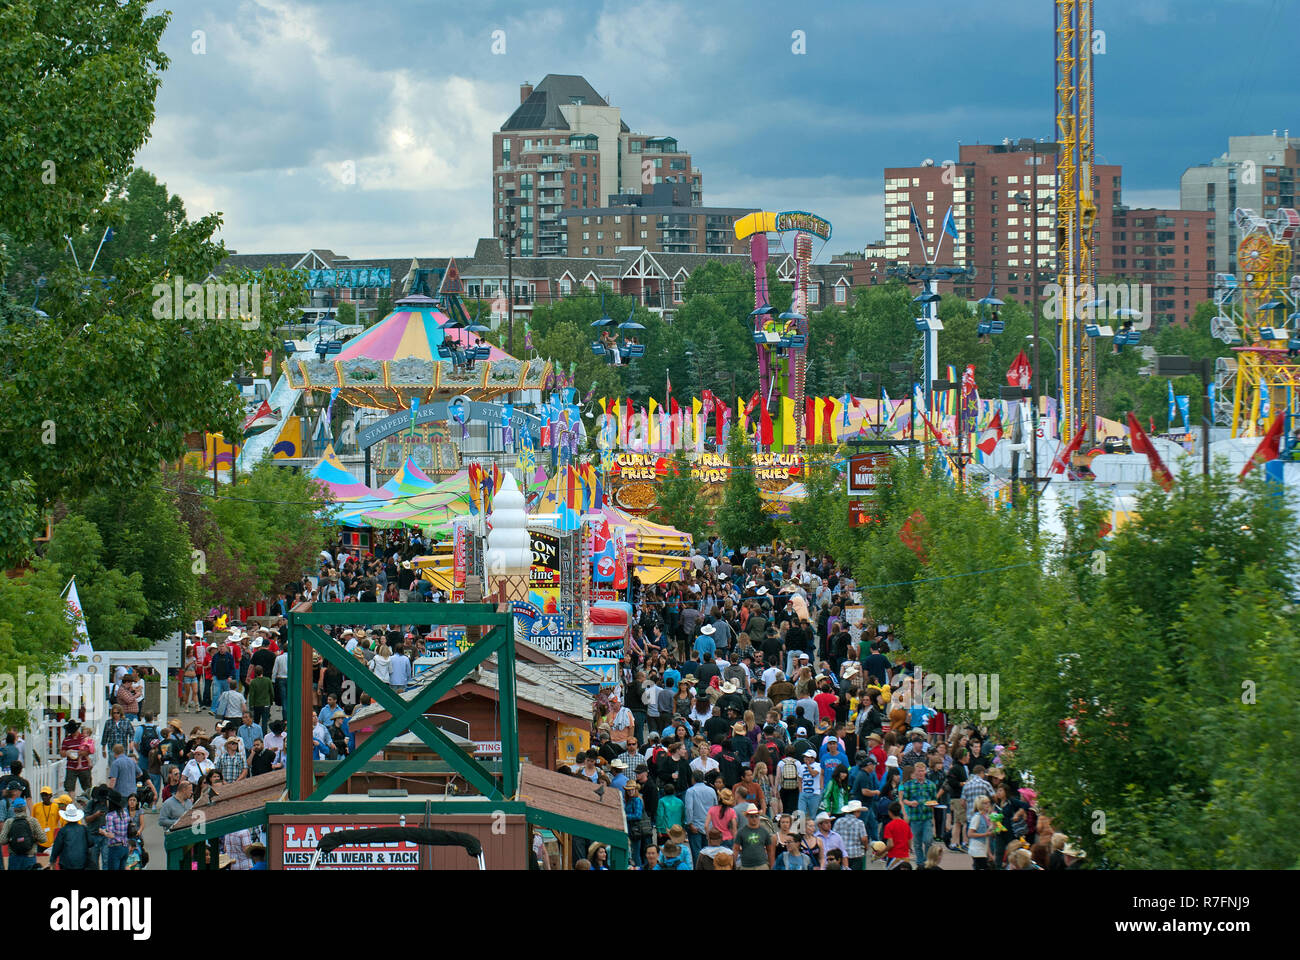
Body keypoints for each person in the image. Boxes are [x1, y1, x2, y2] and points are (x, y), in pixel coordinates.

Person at [899, 755, 938, 866]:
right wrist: (910, 803)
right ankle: (920, 863)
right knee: (916, 843)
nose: (920, 773)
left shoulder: (931, 785)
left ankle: (927, 861)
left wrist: (932, 805)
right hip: (915, 817)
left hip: (927, 817)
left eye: (922, 771)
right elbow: (904, 799)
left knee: (928, 840)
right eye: (918, 771)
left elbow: (934, 800)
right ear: (915, 772)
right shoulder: (908, 785)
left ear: (925, 772)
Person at [0, 798, 45, 869]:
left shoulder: (9, 822)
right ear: (25, 808)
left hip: (14, 858)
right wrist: (33, 838)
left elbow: (2, 840)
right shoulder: (33, 821)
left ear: (14, 809)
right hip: (29, 858)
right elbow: (43, 839)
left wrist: (12, 839)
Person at [732, 803, 775, 870]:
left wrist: (772, 866)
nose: (754, 818)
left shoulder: (764, 832)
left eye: (756, 816)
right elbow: (736, 849)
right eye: (751, 816)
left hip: (762, 866)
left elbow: (770, 850)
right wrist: (733, 865)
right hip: (746, 866)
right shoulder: (741, 832)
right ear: (747, 817)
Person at [49, 804, 91, 870]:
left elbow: (57, 847)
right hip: (82, 861)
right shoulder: (84, 829)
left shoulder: (63, 830)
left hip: (66, 862)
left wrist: (52, 860)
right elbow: (91, 842)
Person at [833, 800, 868, 870]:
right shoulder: (859, 823)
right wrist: (865, 847)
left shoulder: (839, 821)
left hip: (842, 854)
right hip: (856, 854)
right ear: (856, 812)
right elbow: (864, 839)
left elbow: (834, 836)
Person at [881, 801, 912, 868]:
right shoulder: (906, 825)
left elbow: (890, 845)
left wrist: (882, 852)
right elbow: (909, 844)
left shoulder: (889, 826)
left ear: (889, 812)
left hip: (894, 857)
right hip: (905, 858)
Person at [968, 795, 995, 870]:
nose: (988, 805)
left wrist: (989, 853)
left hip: (983, 847)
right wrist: (985, 834)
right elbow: (970, 833)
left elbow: (987, 838)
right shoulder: (977, 817)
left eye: (988, 802)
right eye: (985, 803)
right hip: (977, 848)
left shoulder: (987, 816)